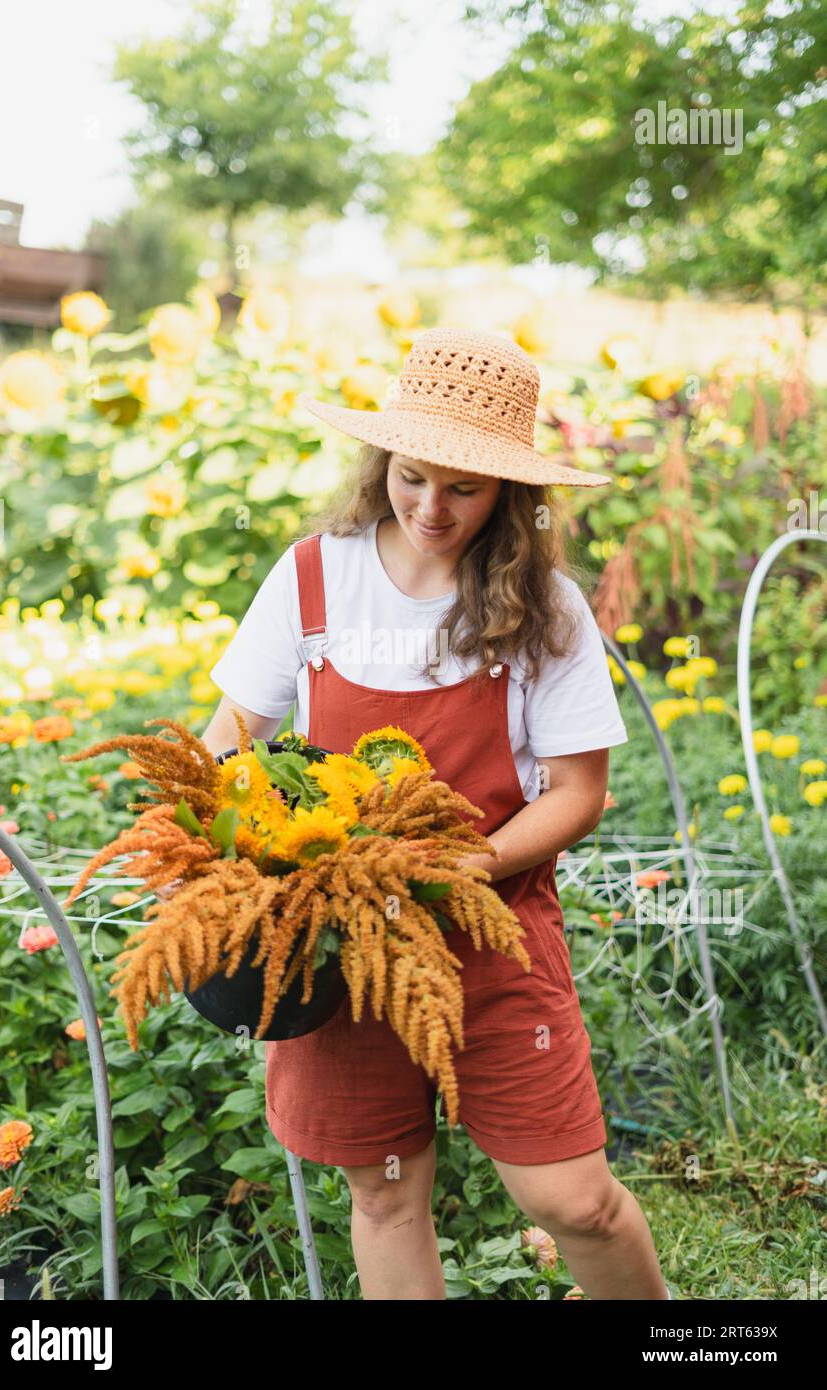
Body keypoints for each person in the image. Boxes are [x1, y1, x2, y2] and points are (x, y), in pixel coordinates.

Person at [201, 327, 671, 1301]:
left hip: (488, 929)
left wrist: (463, 868)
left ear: (507, 490)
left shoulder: (543, 606)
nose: (431, 507)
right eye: (413, 478)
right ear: (384, 462)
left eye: (463, 487)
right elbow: (229, 738)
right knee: (380, 1194)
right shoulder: (313, 576)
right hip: (339, 947)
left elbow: (578, 793)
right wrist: (218, 861)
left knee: (570, 1198)